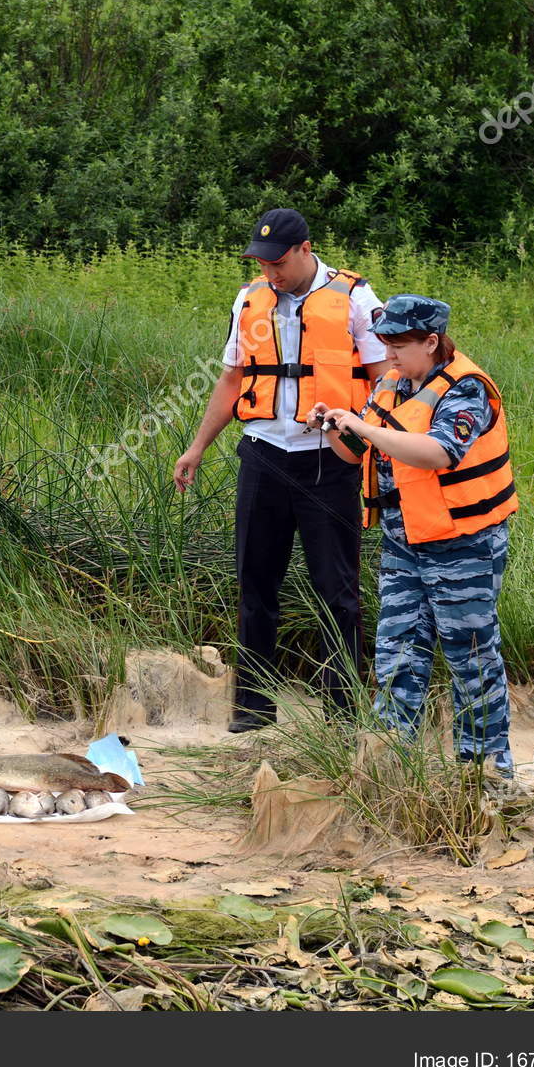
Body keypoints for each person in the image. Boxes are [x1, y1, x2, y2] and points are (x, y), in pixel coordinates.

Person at [174, 208, 387, 733]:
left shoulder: (357, 299)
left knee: (335, 586)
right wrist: (198, 446)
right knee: (255, 581)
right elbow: (232, 380)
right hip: (263, 454)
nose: (271, 272)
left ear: (304, 248)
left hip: (329, 462)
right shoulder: (250, 300)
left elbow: (387, 379)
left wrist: (363, 439)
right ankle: (253, 707)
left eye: (279, 262)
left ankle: (342, 711)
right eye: (262, 263)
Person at [313, 294, 518, 773]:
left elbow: (437, 453)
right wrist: (334, 428)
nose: (390, 356)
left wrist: (364, 426)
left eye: (400, 346)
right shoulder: (393, 382)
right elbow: (356, 453)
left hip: (463, 544)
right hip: (403, 541)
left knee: (471, 660)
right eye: (385, 345)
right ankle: (389, 765)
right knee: (397, 652)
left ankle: (487, 773)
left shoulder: (465, 388)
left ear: (431, 342)